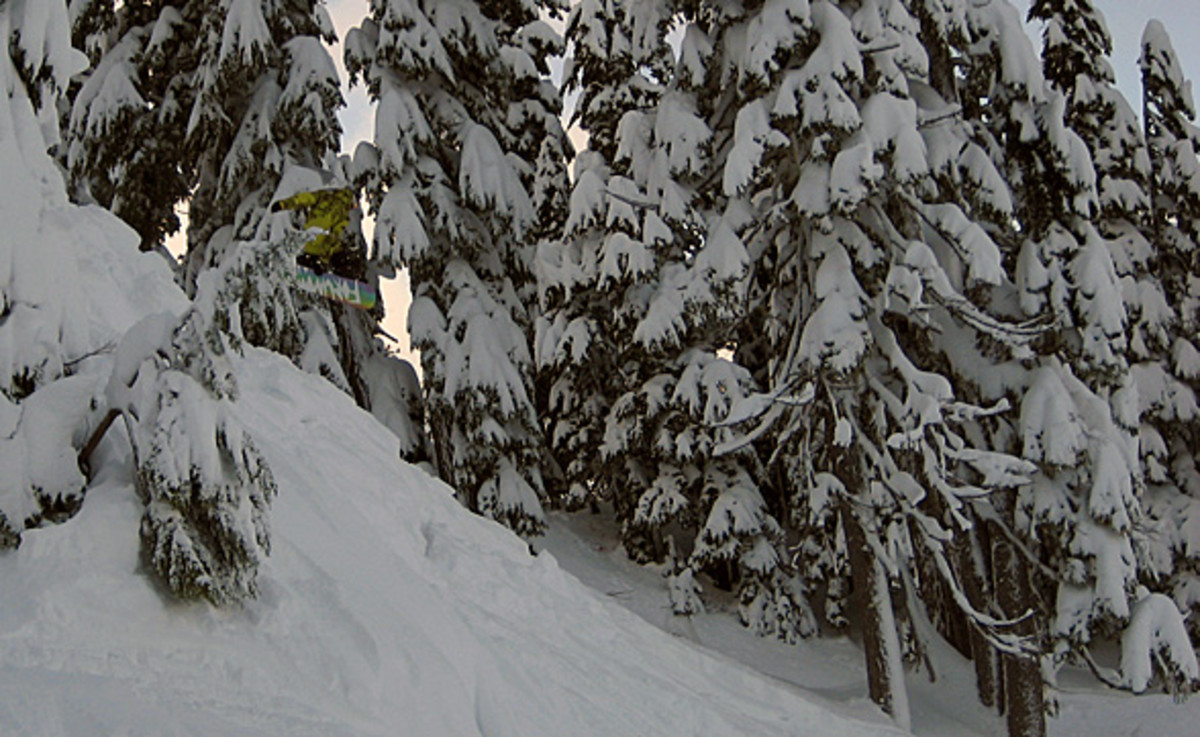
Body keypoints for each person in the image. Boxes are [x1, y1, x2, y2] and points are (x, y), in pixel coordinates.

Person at [270, 187, 364, 277]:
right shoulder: (343, 215)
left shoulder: (325, 196)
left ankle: (309, 263)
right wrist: (324, 260)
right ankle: (322, 266)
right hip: (318, 250)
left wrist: (283, 204)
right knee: (341, 253)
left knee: (307, 257)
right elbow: (334, 236)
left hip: (306, 242)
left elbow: (303, 198)